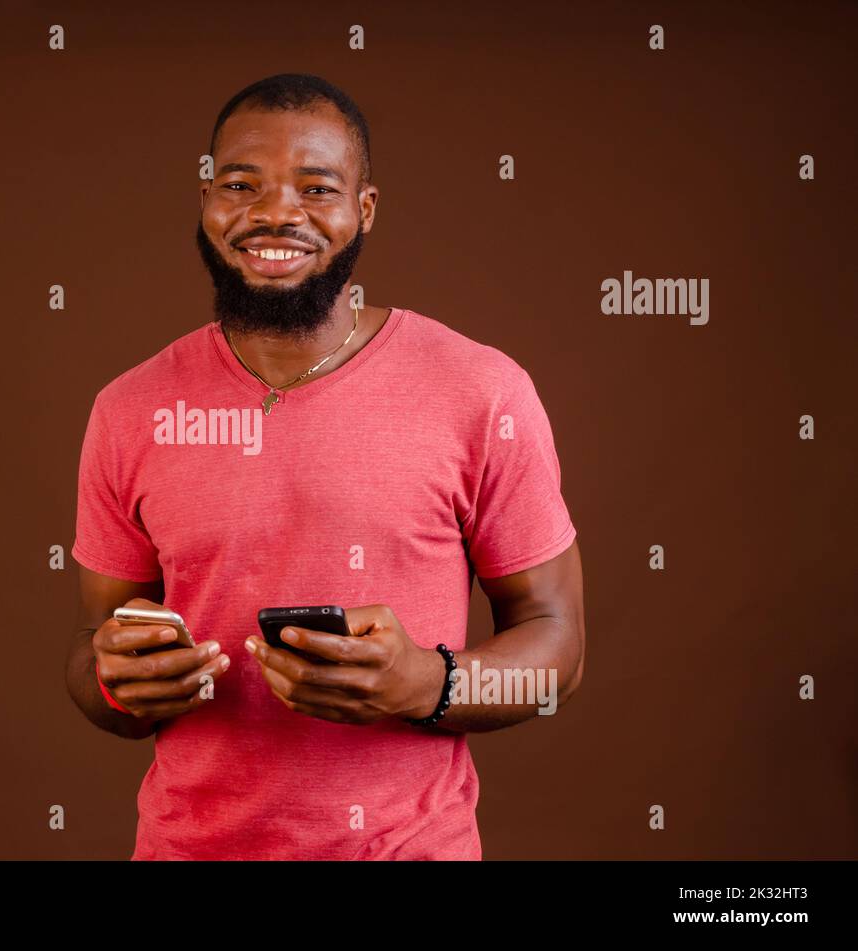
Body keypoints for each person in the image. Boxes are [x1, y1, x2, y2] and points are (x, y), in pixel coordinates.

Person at [64, 73, 585, 860]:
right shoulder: (129, 408)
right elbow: (93, 650)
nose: (275, 212)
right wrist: (115, 681)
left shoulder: (481, 390)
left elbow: (558, 648)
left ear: (363, 210)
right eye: (241, 183)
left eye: (316, 186)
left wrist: (426, 683)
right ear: (205, 199)